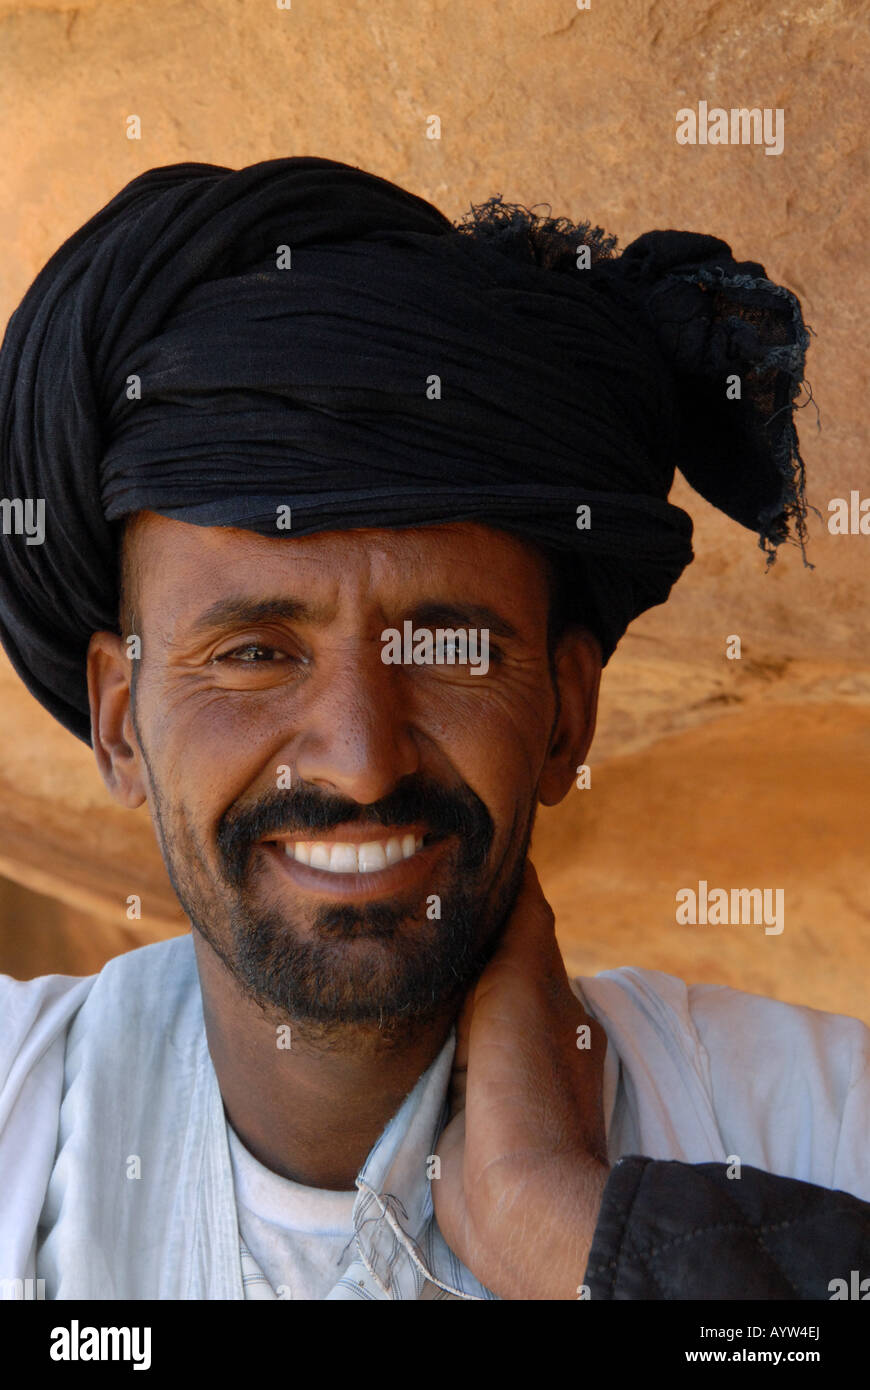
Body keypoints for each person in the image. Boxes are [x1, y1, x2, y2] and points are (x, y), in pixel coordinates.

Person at [0, 157, 866, 1301]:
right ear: (119, 723)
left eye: (450, 649)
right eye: (256, 653)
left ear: (566, 713)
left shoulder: (813, 1123)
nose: (361, 759)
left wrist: (579, 1237)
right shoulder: (26, 1123)